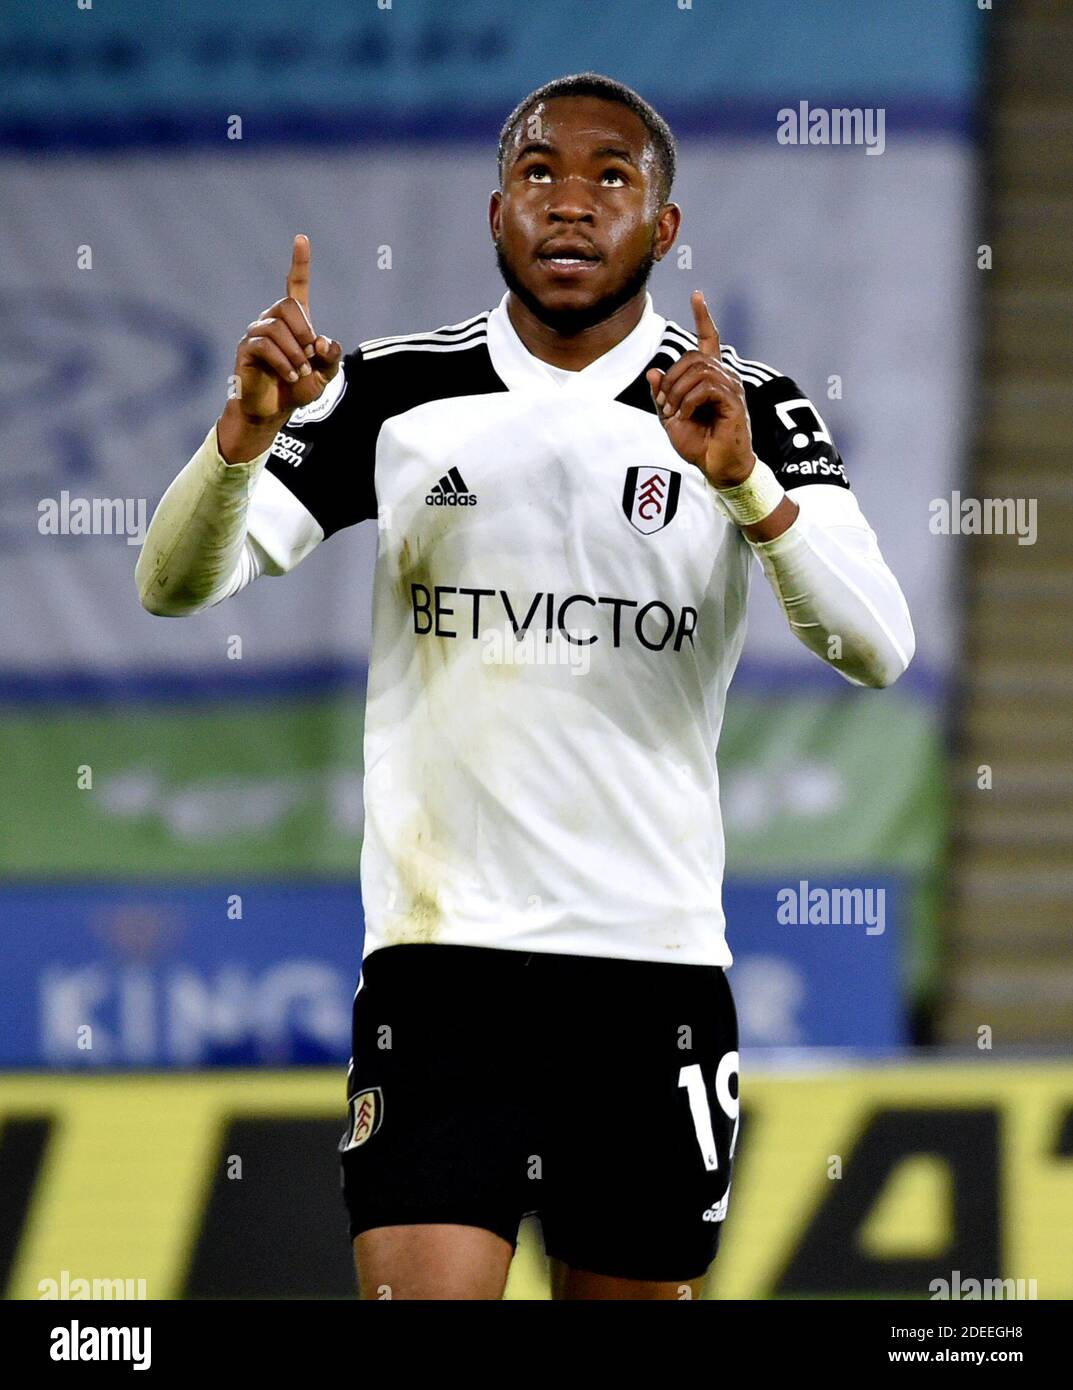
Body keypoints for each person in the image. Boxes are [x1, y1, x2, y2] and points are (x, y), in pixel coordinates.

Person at [136, 72, 914, 1300]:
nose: (569, 204)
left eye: (612, 178)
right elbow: (174, 584)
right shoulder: (391, 394)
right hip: (442, 967)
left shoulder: (741, 407)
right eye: (540, 174)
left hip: (647, 965)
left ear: (662, 229)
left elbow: (878, 648)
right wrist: (236, 443)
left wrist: (746, 490)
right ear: (492, 214)